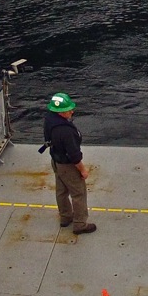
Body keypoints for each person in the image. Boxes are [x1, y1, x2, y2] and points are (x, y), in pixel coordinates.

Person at [43, 92, 96, 235]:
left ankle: (65, 217)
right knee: (78, 193)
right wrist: (83, 171)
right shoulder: (66, 131)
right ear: (60, 112)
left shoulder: (49, 119)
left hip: (56, 161)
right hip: (67, 166)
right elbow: (75, 156)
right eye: (68, 109)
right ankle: (80, 224)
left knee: (61, 191)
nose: (72, 111)